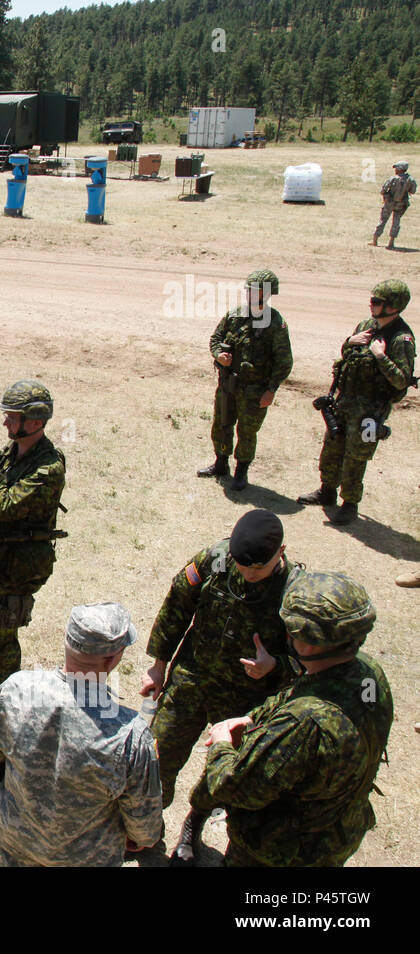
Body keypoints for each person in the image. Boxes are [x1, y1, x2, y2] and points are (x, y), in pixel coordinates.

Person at [184, 571, 393, 867]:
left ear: (308, 643)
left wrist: (220, 743)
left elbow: (233, 787)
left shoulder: (302, 724)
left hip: (283, 851)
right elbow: (305, 689)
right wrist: (252, 718)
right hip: (338, 831)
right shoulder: (370, 675)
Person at [0, 603, 163, 866]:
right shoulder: (130, 735)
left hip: (12, 845)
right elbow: (145, 832)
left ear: (67, 641)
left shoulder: (14, 690)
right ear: (112, 659)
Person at [139, 509, 296, 836]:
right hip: (191, 681)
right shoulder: (215, 560)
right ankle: (146, 824)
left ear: (281, 553)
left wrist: (276, 666)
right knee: (157, 756)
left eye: (258, 567)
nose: (247, 573)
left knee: (225, 772)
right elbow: (177, 605)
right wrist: (158, 665)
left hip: (246, 699)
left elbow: (308, 663)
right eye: (241, 564)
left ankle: (195, 821)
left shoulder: (294, 594)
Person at [0, 380, 66, 699]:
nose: (5, 422)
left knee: (1, 633)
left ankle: (4, 700)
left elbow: (7, 506)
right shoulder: (10, 451)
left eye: (12, 416)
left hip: (14, 567)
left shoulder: (48, 468)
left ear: (35, 421)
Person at [297, 280, 416, 524]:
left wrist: (381, 356)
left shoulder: (401, 339)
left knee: (356, 456)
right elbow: (347, 354)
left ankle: (349, 504)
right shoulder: (366, 325)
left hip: (371, 411)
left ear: (393, 306)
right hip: (345, 401)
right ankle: (327, 491)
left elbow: (401, 381)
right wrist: (350, 342)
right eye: (372, 300)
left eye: (377, 302)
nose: (371, 305)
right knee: (332, 446)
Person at [196, 269, 292, 491]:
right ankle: (220, 464)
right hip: (228, 384)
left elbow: (284, 362)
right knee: (221, 425)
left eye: (255, 290)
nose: (249, 293)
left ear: (267, 294)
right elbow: (216, 338)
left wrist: (271, 390)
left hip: (255, 390)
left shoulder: (275, 323)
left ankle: (241, 472)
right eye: (248, 289)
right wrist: (219, 354)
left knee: (247, 432)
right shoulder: (235, 314)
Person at [372, 161, 416, 249]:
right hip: (401, 204)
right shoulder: (410, 179)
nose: (395, 170)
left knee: (383, 220)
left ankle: (375, 240)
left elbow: (383, 190)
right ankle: (391, 242)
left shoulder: (393, 179)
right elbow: (413, 191)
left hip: (389, 203)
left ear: (400, 169)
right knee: (396, 222)